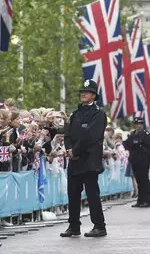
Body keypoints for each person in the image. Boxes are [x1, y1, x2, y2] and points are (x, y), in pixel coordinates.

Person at [60, 79, 107, 238]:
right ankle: (73, 226)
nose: (83, 94)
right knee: (73, 193)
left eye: (86, 92)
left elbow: (91, 136)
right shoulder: (76, 113)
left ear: (93, 95)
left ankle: (99, 226)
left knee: (92, 193)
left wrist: (76, 150)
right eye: (82, 92)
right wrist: (69, 149)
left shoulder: (98, 113)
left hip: (89, 159)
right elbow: (68, 134)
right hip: (75, 160)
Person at [123, 116, 150, 208]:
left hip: (143, 161)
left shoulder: (146, 135)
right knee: (138, 181)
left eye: (140, 124)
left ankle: (146, 201)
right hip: (135, 161)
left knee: (144, 181)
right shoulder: (132, 134)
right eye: (137, 124)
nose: (138, 126)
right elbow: (127, 145)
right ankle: (140, 200)